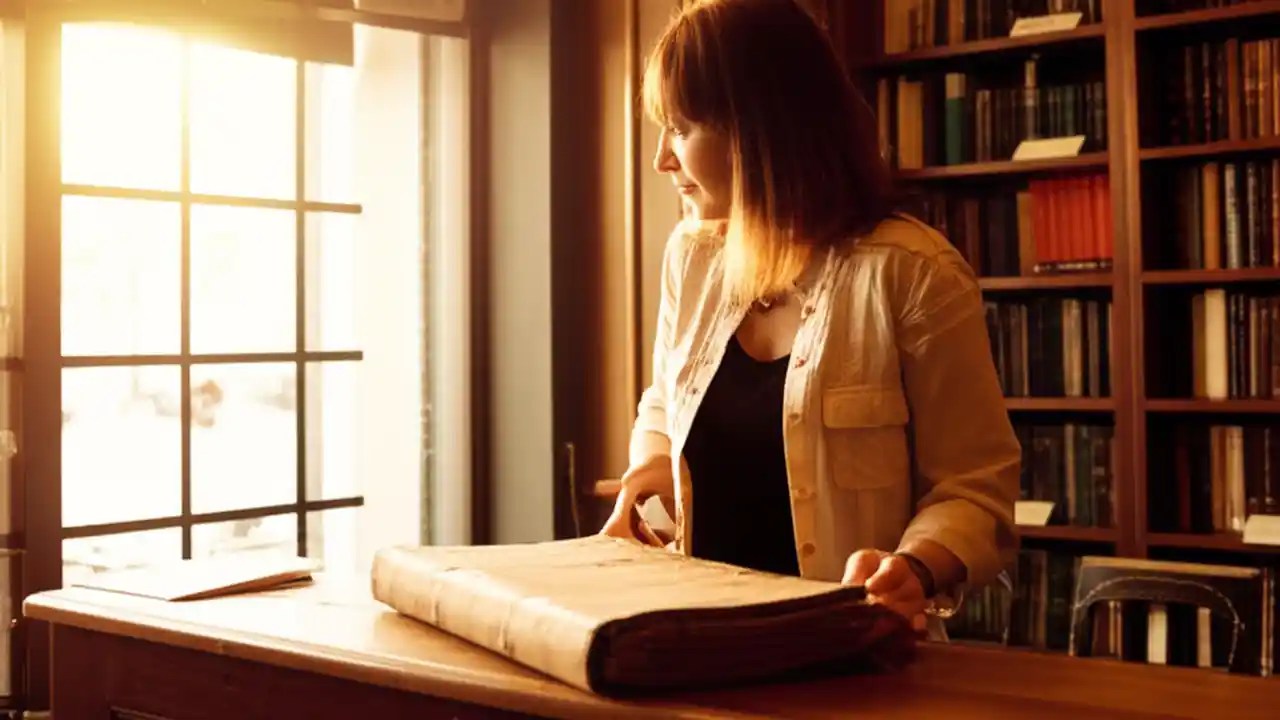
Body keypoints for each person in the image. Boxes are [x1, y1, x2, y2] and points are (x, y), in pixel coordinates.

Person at [599, 0, 1020, 636]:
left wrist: (915, 567)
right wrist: (651, 469)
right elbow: (663, 400)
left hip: (857, 660)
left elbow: (974, 489)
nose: (662, 159)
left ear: (758, 126)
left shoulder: (914, 273)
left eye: (681, 129)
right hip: (697, 644)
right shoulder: (689, 257)